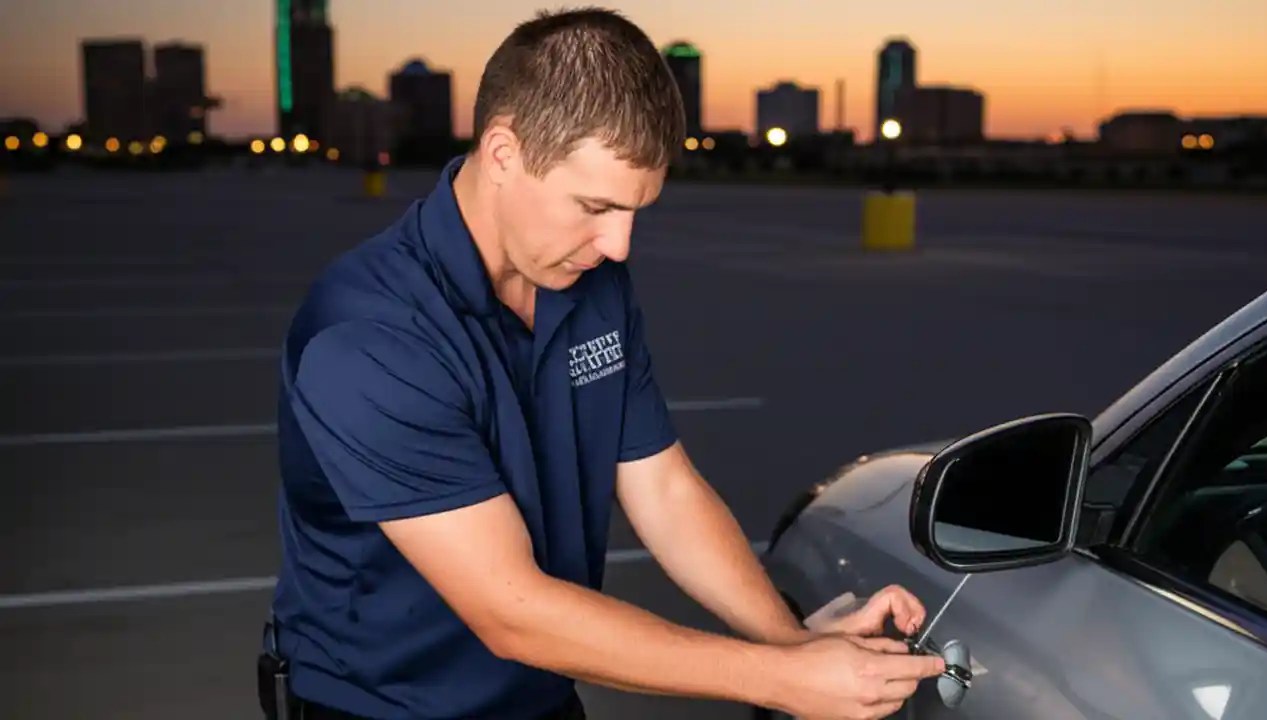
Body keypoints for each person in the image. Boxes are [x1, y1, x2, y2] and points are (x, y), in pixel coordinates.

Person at [263, 7, 944, 720]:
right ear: (503, 153)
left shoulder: (586, 280)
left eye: (635, 210)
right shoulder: (368, 336)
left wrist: (789, 642)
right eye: (594, 206)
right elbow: (510, 609)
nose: (618, 245)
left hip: (545, 691)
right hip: (388, 711)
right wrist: (779, 681)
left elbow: (665, 490)